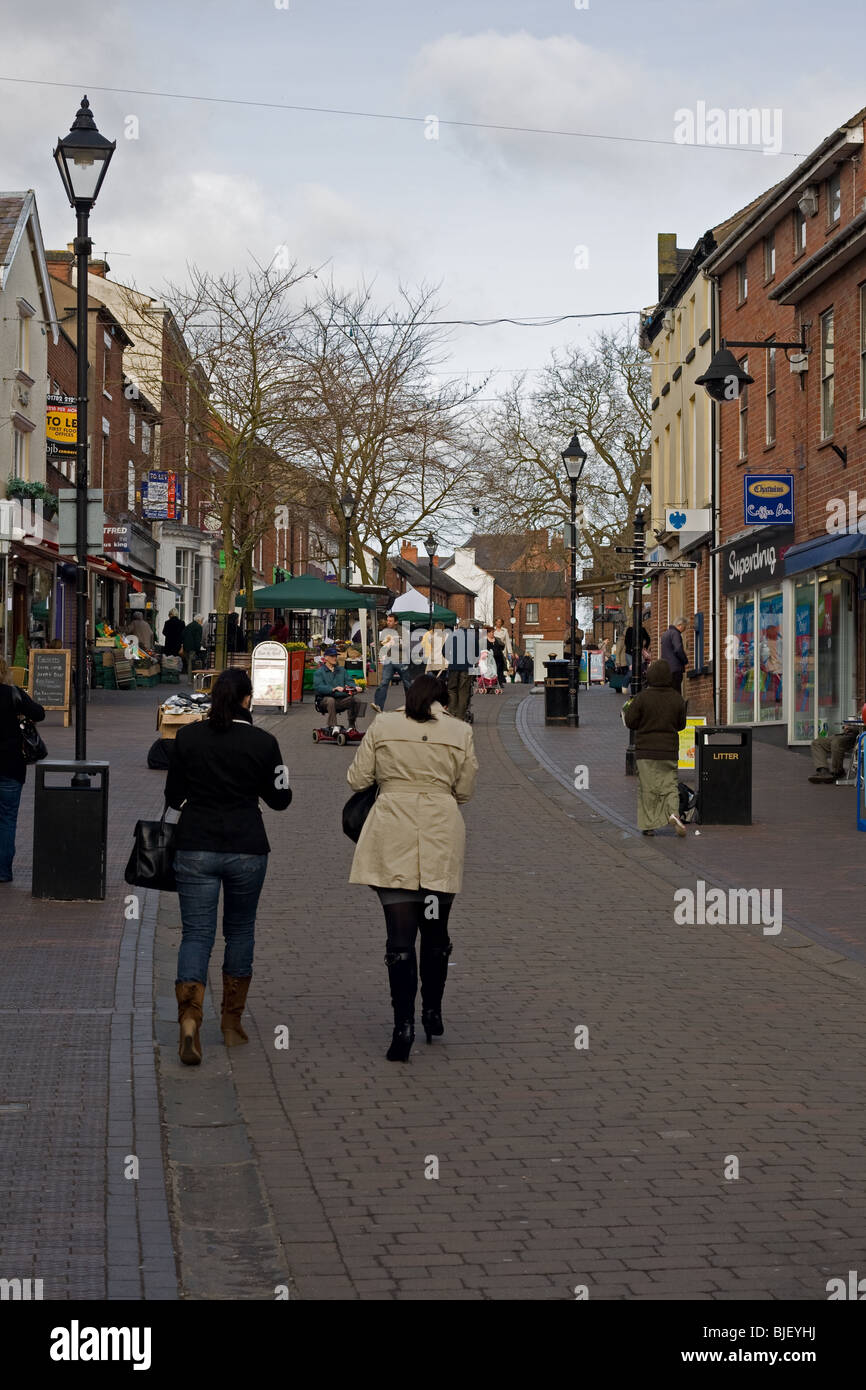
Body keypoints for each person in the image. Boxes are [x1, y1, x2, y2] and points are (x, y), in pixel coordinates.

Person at [346, 672, 478, 1062]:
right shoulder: (459, 731)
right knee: (436, 931)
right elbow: (465, 790)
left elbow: (357, 779)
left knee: (399, 938)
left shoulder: (383, 724)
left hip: (393, 831)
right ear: (444, 701)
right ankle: (432, 1011)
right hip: (439, 831)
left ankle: (401, 1025)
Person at [164, 668, 291, 1064]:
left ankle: (189, 1018)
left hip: (196, 844)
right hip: (247, 846)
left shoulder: (187, 737)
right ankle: (232, 1024)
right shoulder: (264, 743)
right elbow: (280, 799)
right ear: (246, 700)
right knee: (239, 931)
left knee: (196, 934)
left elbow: (173, 795)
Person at [623, 659, 688, 837]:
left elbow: (630, 721)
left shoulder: (642, 697)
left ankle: (649, 825)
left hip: (646, 750)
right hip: (669, 750)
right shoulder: (677, 698)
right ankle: (673, 812)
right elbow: (681, 725)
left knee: (647, 788)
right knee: (670, 785)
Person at [0, 659, 46, 883]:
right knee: (7, 819)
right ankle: (3, 871)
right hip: (10, 765)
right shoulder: (13, 694)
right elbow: (39, 713)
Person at [313, 646, 362, 733]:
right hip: (324, 701)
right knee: (330, 700)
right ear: (326, 658)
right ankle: (333, 726)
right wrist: (333, 689)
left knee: (356, 700)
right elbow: (318, 687)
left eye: (336, 656)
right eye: (332, 656)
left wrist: (355, 686)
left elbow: (349, 681)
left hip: (340, 699)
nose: (335, 658)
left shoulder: (342, 670)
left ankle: (351, 725)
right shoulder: (319, 672)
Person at [371, 613, 411, 713]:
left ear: (396, 622)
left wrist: (395, 643)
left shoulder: (403, 631)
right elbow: (381, 644)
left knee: (407, 684)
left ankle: (412, 706)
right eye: (387, 620)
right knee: (384, 683)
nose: (388, 622)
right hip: (389, 660)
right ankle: (378, 706)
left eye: (390, 621)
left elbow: (406, 645)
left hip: (402, 660)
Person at [445, 619, 476, 721]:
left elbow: (444, 650)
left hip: (453, 667)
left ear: (459, 626)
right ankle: (460, 716)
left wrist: (451, 660)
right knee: (464, 691)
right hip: (467, 668)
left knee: (452, 689)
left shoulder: (452, 635)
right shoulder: (473, 637)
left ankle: (452, 713)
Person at [661, 617, 689, 695]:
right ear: (680, 625)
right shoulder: (675, 634)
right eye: (684, 626)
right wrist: (685, 660)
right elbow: (678, 649)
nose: (685, 629)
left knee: (669, 691)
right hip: (675, 668)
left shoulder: (665, 634)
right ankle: (676, 707)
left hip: (667, 668)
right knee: (676, 691)